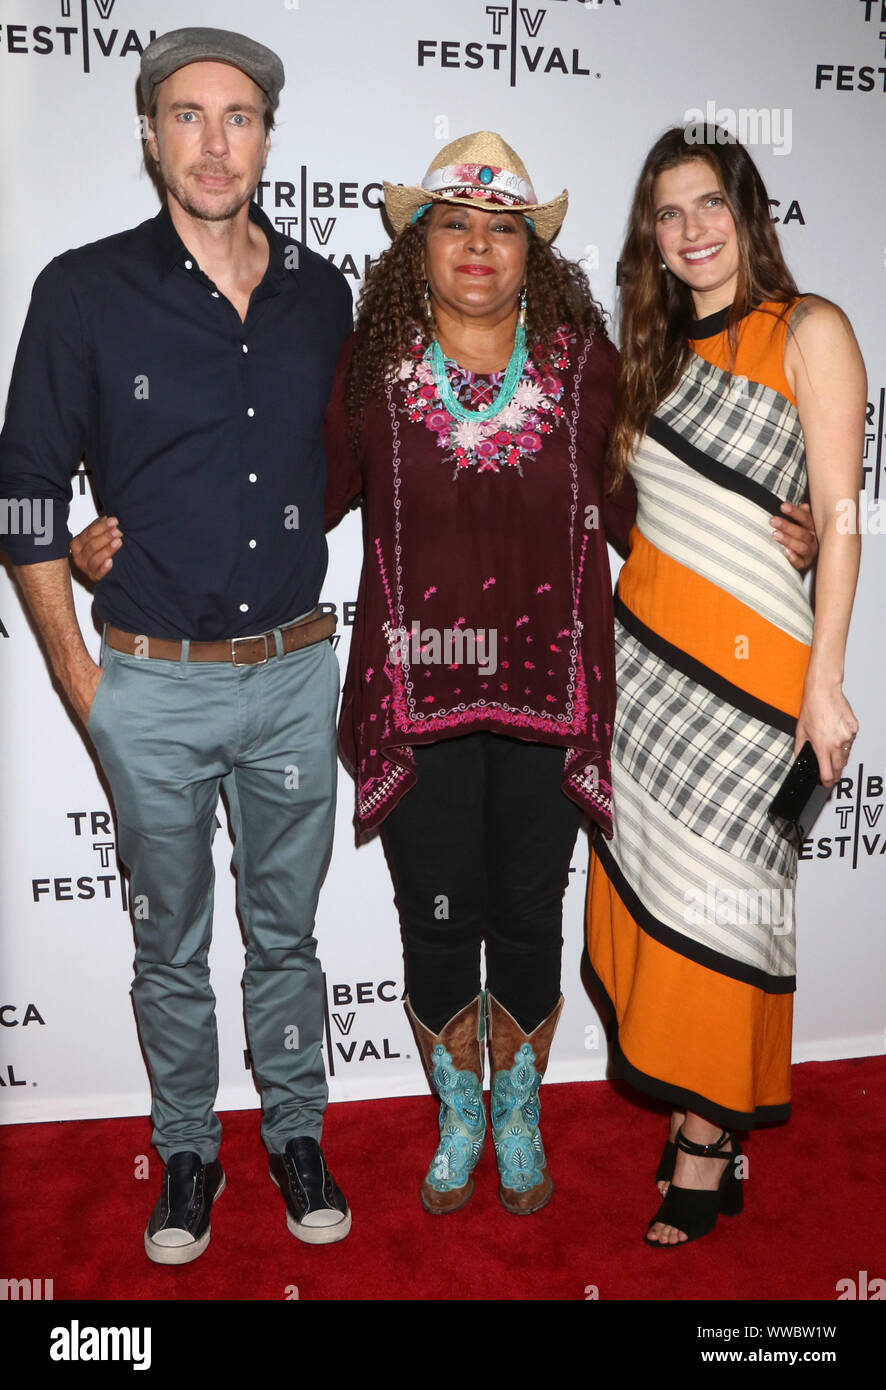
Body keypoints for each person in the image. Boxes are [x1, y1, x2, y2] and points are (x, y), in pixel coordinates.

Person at [71, 131, 818, 1221]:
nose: (478, 245)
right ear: (417, 247)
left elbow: (653, 496)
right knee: (435, 920)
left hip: (547, 696)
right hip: (412, 699)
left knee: (524, 914)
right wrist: (132, 526)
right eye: (455, 225)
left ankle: (514, 1108)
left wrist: (775, 531)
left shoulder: (582, 363)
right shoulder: (372, 365)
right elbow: (286, 493)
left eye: (502, 229)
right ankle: (456, 1114)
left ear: (534, 255)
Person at [0, 27, 354, 1262]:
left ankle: (297, 1130)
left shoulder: (324, 290)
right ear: (150, 134)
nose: (216, 140)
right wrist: (76, 674)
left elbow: (349, 469)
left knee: (289, 935)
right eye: (189, 115)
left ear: (267, 135)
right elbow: (25, 494)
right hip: (145, 683)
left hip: (299, 672)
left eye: (240, 115)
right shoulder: (82, 290)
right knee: (169, 939)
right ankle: (189, 1149)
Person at [584, 126, 864, 1247]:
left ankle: (705, 1142)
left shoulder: (809, 329)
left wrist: (827, 683)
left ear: (748, 214)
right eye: (669, 213)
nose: (692, 231)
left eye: (710, 206)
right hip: (650, 676)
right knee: (664, 903)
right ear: (649, 236)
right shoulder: (646, 355)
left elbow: (839, 516)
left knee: (725, 915)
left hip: (758, 689)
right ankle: (709, 1127)